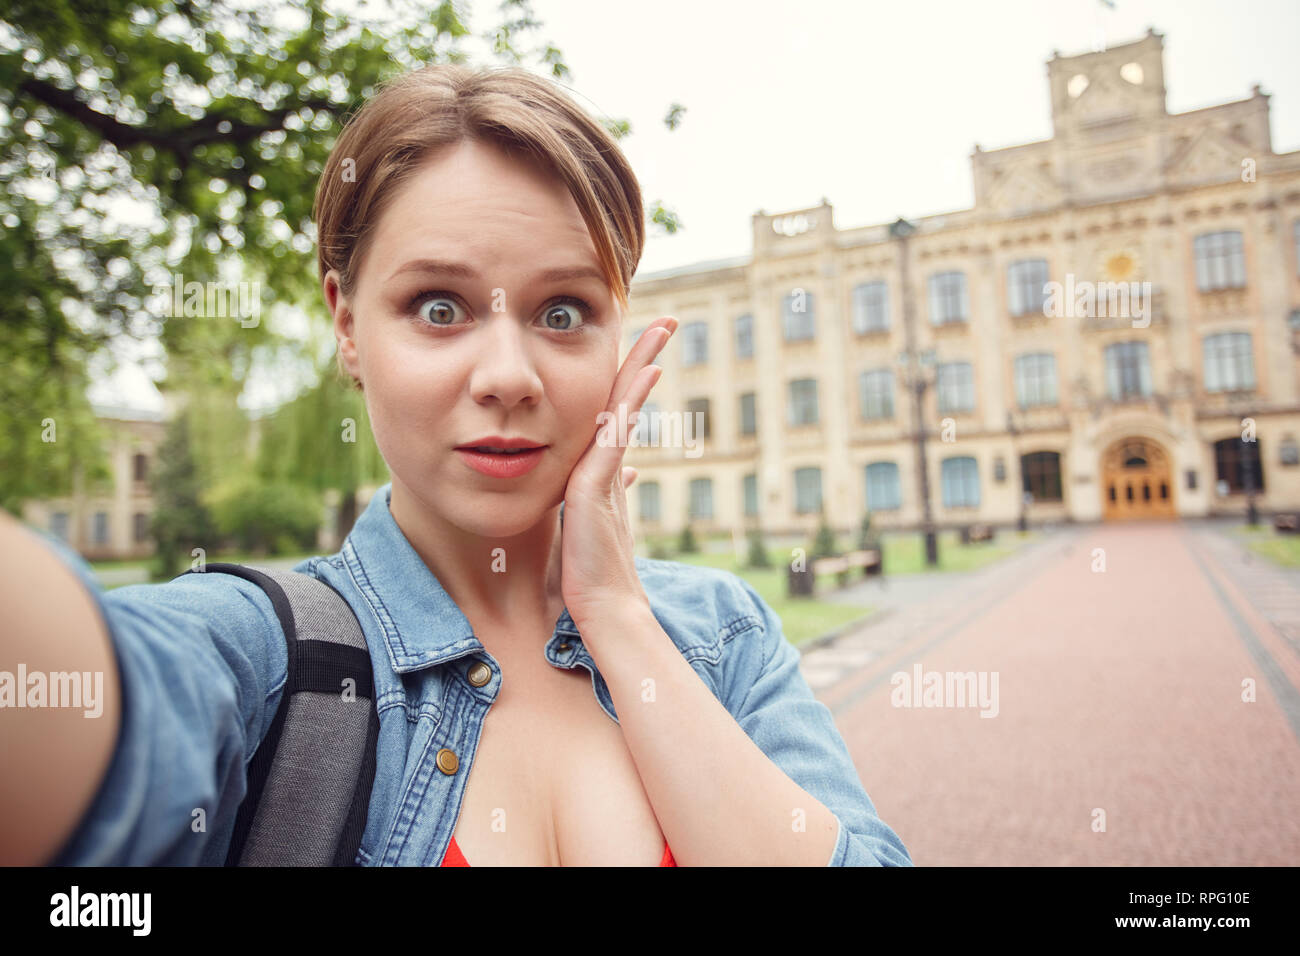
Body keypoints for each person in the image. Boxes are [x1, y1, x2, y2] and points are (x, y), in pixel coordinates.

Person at [0, 63, 912, 867]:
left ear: (619, 334)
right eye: (440, 307)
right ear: (349, 326)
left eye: (563, 313)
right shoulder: (262, 656)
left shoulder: (720, 637)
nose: (509, 377)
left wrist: (621, 619)